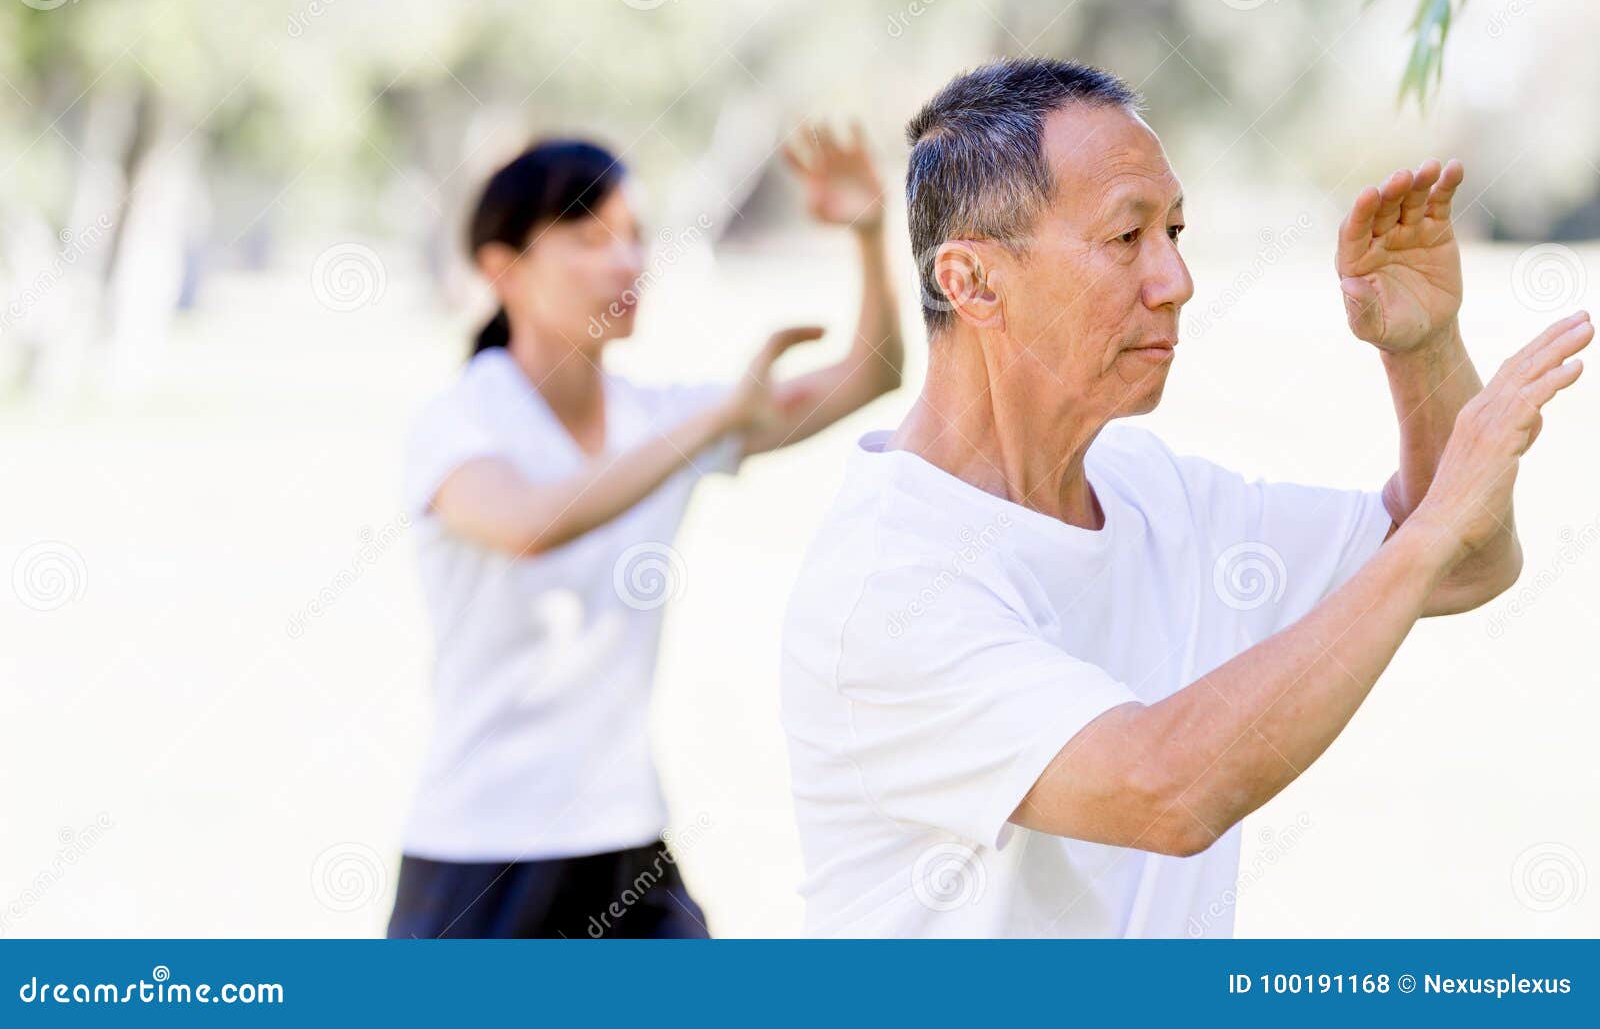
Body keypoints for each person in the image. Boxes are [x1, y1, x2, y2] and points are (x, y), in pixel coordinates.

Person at [780, 57, 1592, 937]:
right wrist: (1435, 527)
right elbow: (1167, 792)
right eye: (1127, 238)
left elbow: (1466, 565)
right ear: (971, 282)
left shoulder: (1154, 492)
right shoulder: (889, 588)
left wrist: (1424, 350)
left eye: (1175, 231)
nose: (1176, 280)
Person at [388, 129, 902, 938]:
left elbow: (872, 373)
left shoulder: (663, 417)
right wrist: (713, 426)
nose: (627, 265)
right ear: (501, 270)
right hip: (482, 855)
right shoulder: (461, 421)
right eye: (590, 240)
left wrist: (871, 234)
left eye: (634, 239)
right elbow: (528, 524)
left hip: (625, 846)